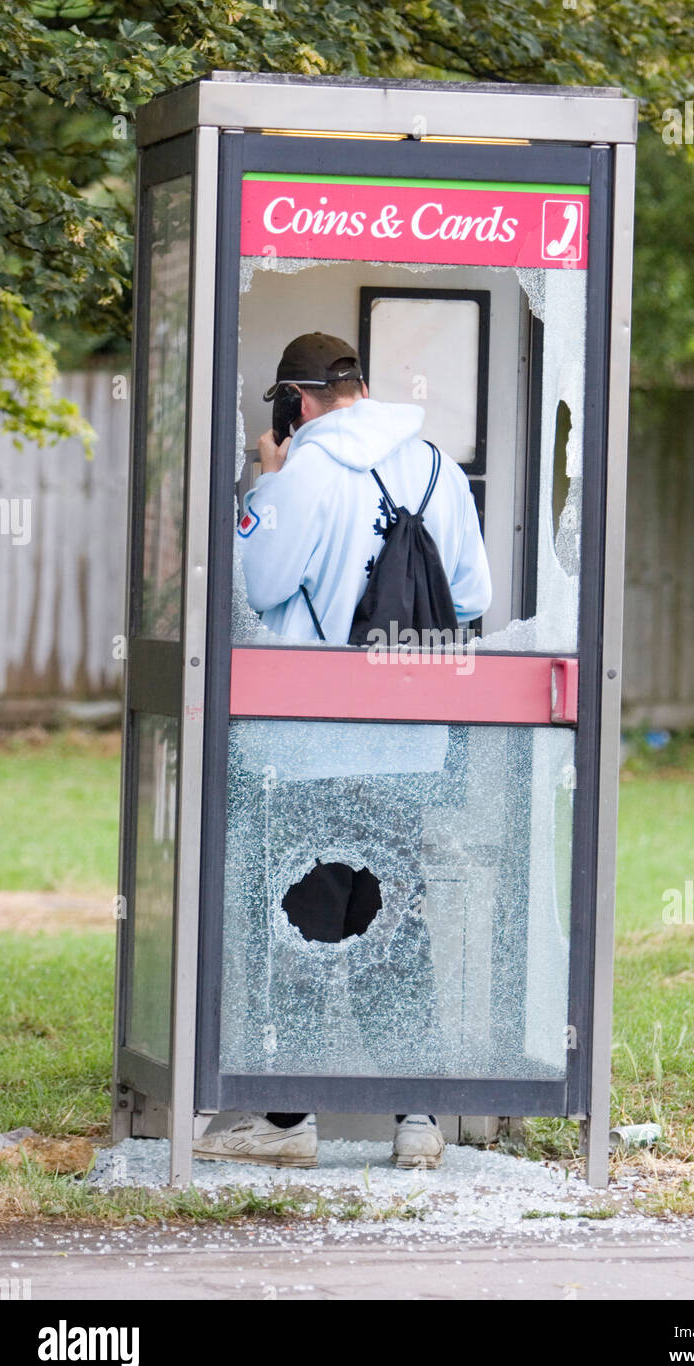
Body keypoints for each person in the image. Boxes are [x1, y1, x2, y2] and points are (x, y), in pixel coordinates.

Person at [194, 332, 492, 1172]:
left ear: (296, 402)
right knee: (395, 919)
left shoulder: (307, 473)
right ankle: (418, 1119)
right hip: (409, 739)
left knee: (303, 917)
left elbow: (258, 585)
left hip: (312, 737)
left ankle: (289, 1122)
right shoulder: (434, 464)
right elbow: (472, 592)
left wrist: (270, 481)